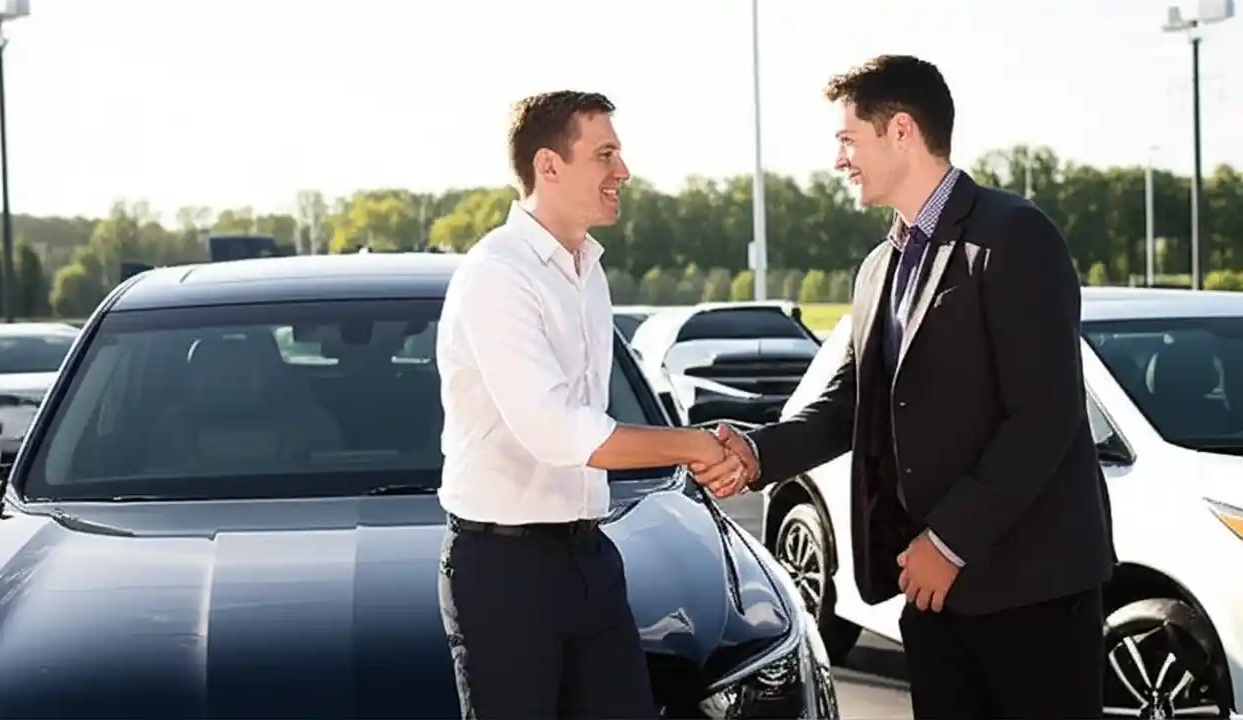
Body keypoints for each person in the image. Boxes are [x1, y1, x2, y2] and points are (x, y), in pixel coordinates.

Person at [697, 55, 1116, 718]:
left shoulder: (1012, 237)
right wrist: (756, 453)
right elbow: (846, 406)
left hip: (1032, 594)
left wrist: (947, 542)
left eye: (847, 140)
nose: (840, 161)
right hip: (929, 595)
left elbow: (1045, 415)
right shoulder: (876, 268)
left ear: (900, 131)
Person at [434, 90, 740, 719]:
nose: (622, 171)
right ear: (548, 166)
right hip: (503, 571)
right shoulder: (498, 275)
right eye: (605, 154)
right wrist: (690, 444)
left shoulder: (587, 271)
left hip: (590, 558)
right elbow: (556, 431)